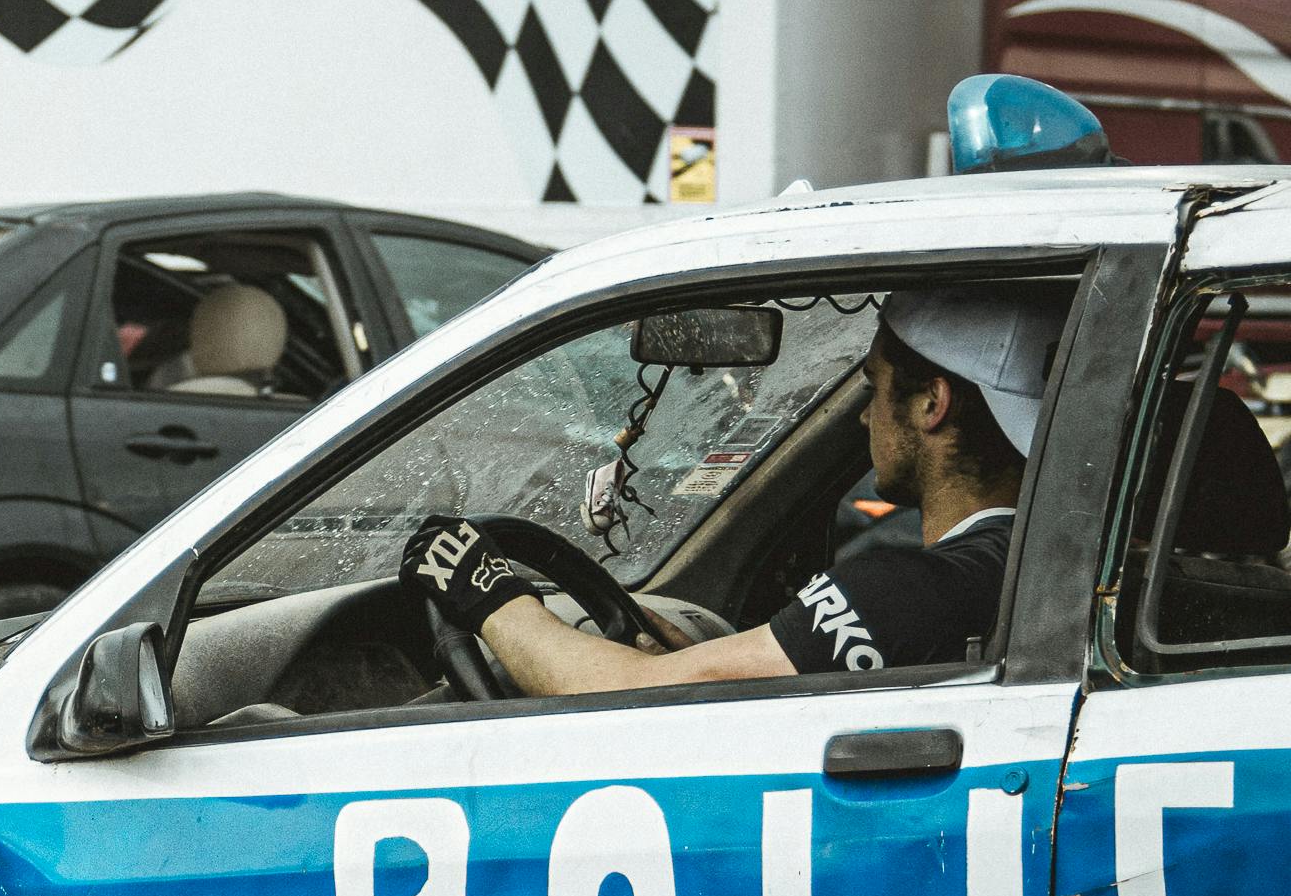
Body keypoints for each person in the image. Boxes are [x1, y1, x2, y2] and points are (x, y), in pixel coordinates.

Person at [399, 284, 1061, 695]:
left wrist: (487, 595)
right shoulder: (1032, 568)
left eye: (875, 388)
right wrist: (703, 665)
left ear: (931, 405)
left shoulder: (909, 591)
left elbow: (634, 694)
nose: (864, 417)